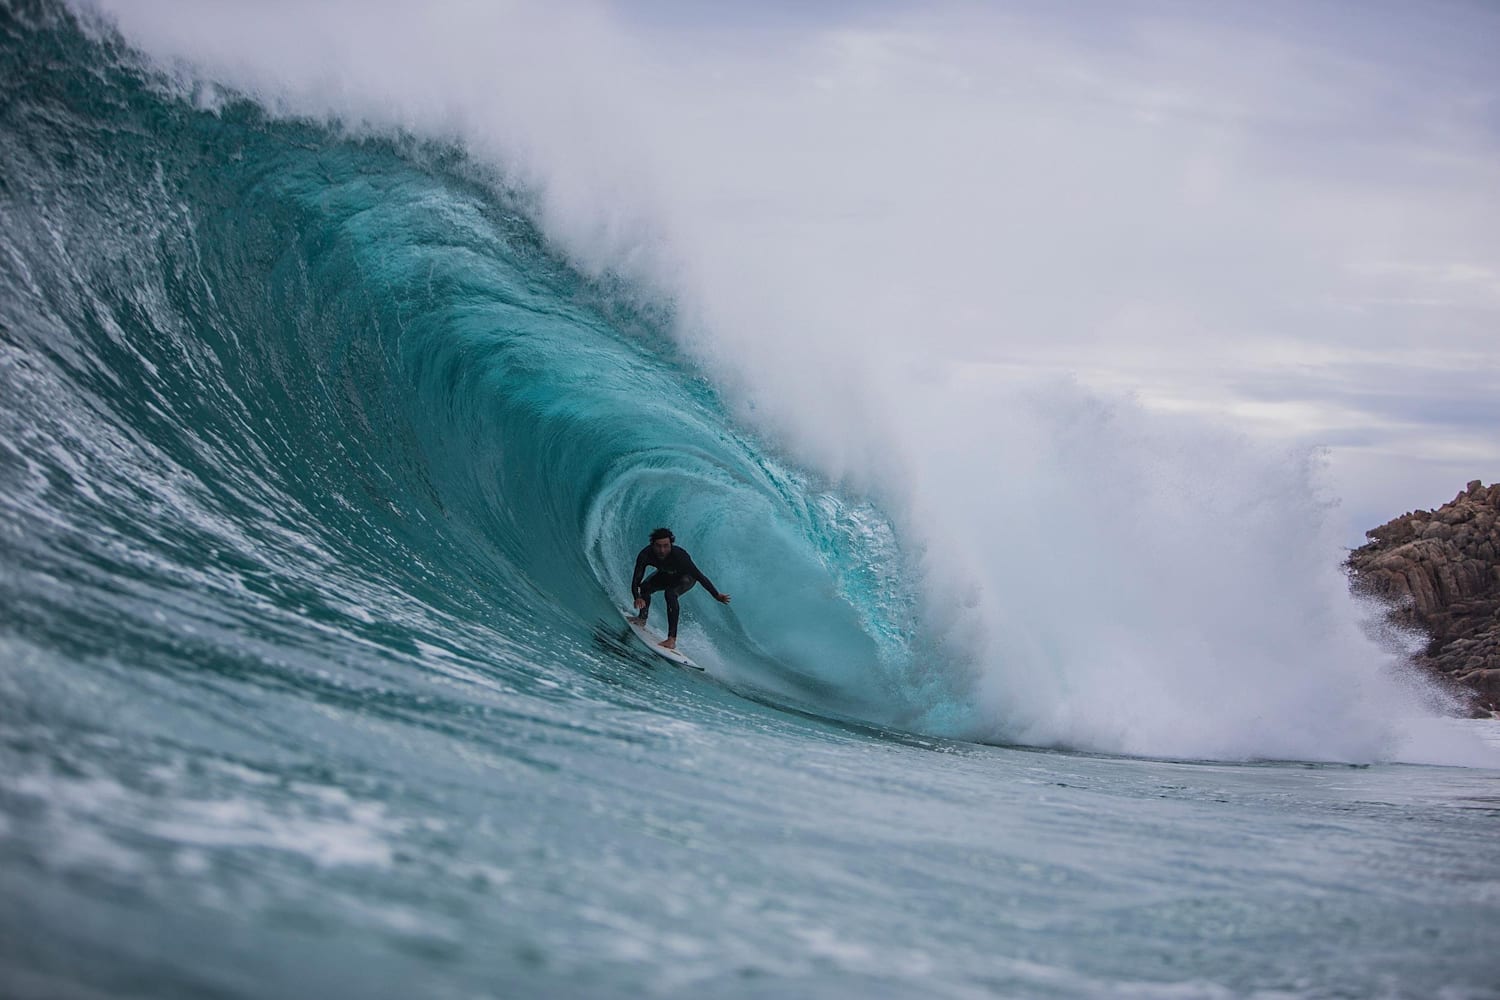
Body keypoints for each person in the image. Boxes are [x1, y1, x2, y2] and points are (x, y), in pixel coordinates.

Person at [628, 528, 730, 650]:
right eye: (658, 546)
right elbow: (636, 580)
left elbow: (699, 576)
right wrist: (637, 597)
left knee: (670, 594)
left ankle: (671, 639)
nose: (662, 550)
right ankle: (642, 618)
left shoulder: (680, 556)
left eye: (666, 546)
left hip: (686, 578)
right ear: (652, 545)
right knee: (645, 587)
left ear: (671, 544)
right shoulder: (645, 555)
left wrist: (716, 595)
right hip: (666, 575)